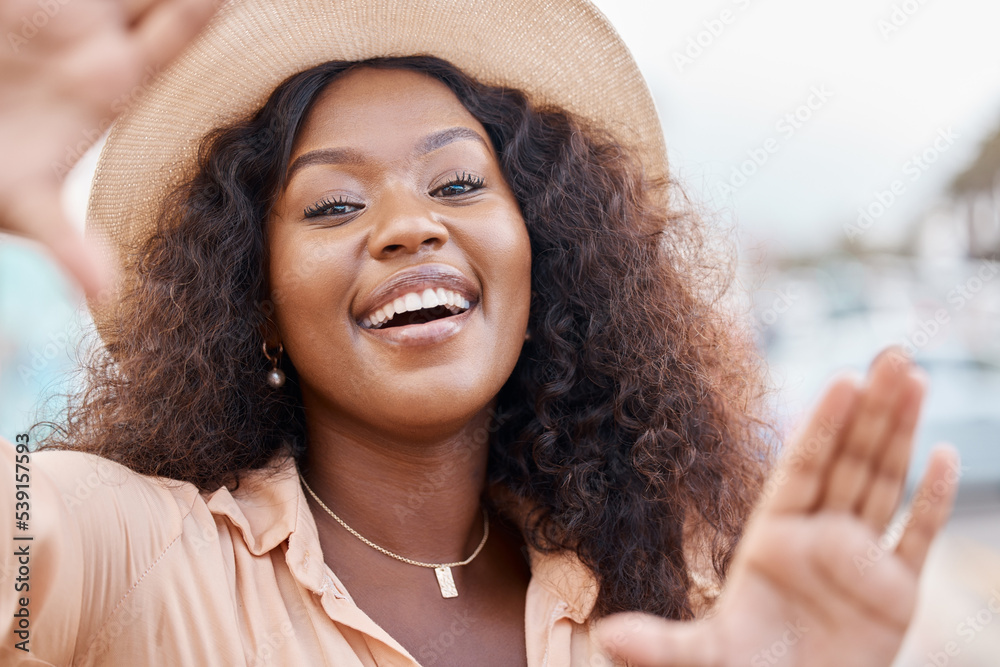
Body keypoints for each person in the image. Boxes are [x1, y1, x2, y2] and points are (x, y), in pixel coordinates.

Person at [0, 0, 959, 665]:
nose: (410, 226)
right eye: (333, 205)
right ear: (254, 300)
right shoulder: (126, 546)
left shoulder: (674, 583)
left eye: (458, 183)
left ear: (541, 253)